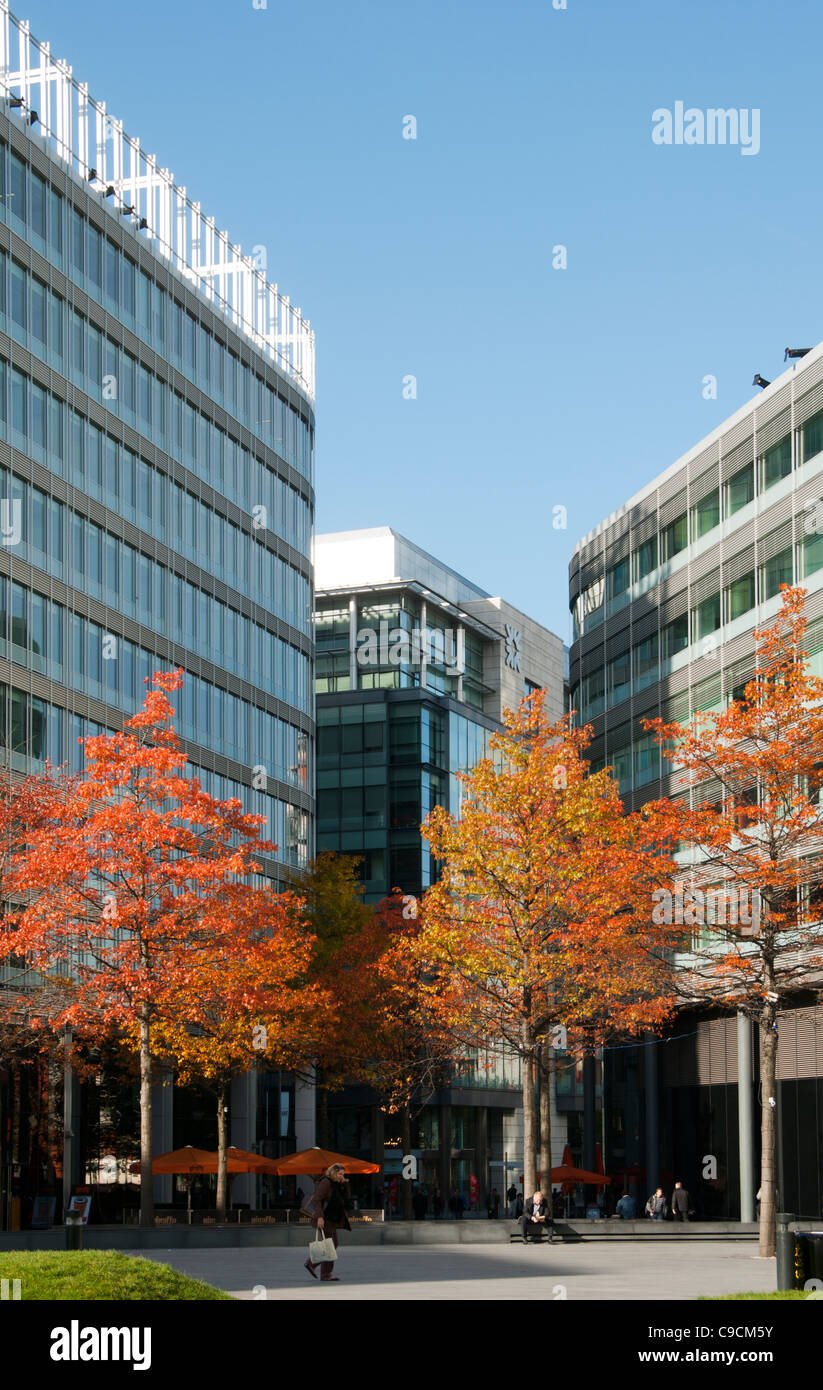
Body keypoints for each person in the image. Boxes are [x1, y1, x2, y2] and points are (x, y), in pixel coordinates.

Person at [304, 1163, 350, 1282]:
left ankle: (316, 1267)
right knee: (331, 1246)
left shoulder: (337, 1184)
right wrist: (319, 1217)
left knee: (332, 1245)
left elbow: (346, 1198)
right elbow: (317, 1199)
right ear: (333, 1172)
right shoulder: (326, 1182)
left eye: (343, 1174)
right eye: (340, 1174)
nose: (341, 1176)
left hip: (332, 1219)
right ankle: (322, 1271)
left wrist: (345, 1184)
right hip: (324, 1219)